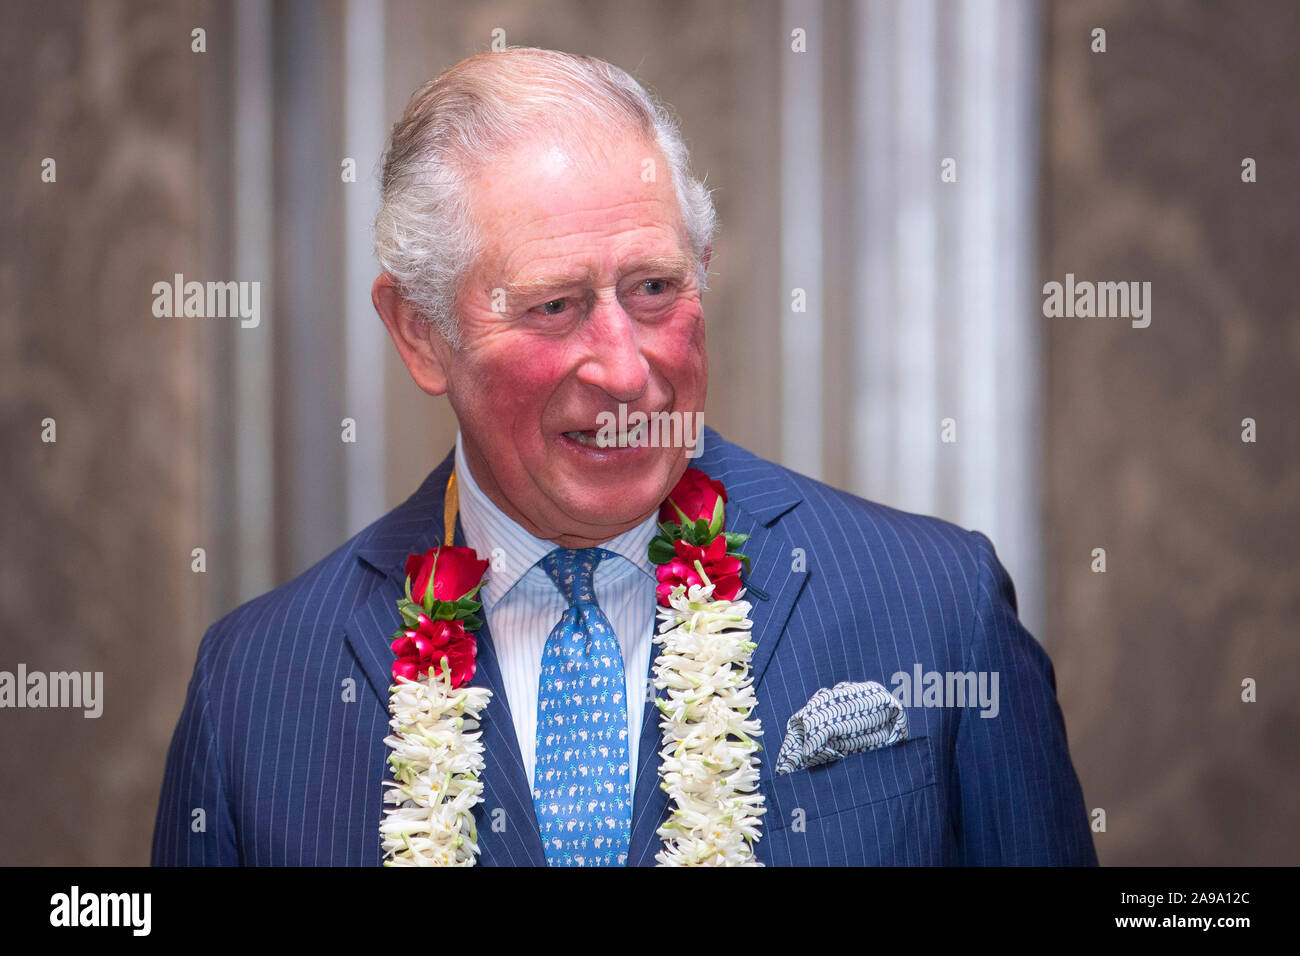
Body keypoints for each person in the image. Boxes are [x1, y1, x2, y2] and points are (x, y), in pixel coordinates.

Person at [152, 47, 1096, 866]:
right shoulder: (254, 691)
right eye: (552, 305)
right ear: (422, 334)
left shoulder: (934, 609)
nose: (623, 367)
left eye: (653, 287)